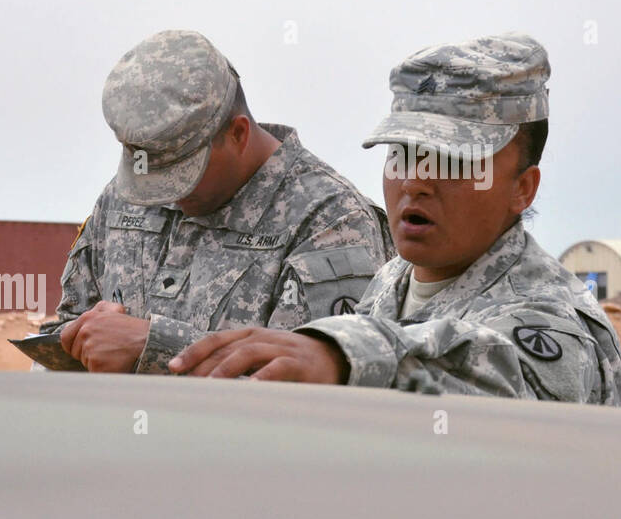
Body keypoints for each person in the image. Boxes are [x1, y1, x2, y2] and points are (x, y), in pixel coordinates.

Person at [169, 32, 621, 406]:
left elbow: (504, 376)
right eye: (402, 154)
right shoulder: (394, 279)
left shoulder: (556, 319)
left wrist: (342, 356)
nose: (416, 181)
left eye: (452, 161)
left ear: (522, 188)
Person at [53, 29, 392, 373]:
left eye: (183, 172)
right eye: (150, 175)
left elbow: (316, 392)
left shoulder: (331, 219)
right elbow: (64, 331)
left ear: (238, 134)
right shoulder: (126, 196)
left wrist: (152, 346)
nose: (165, 195)